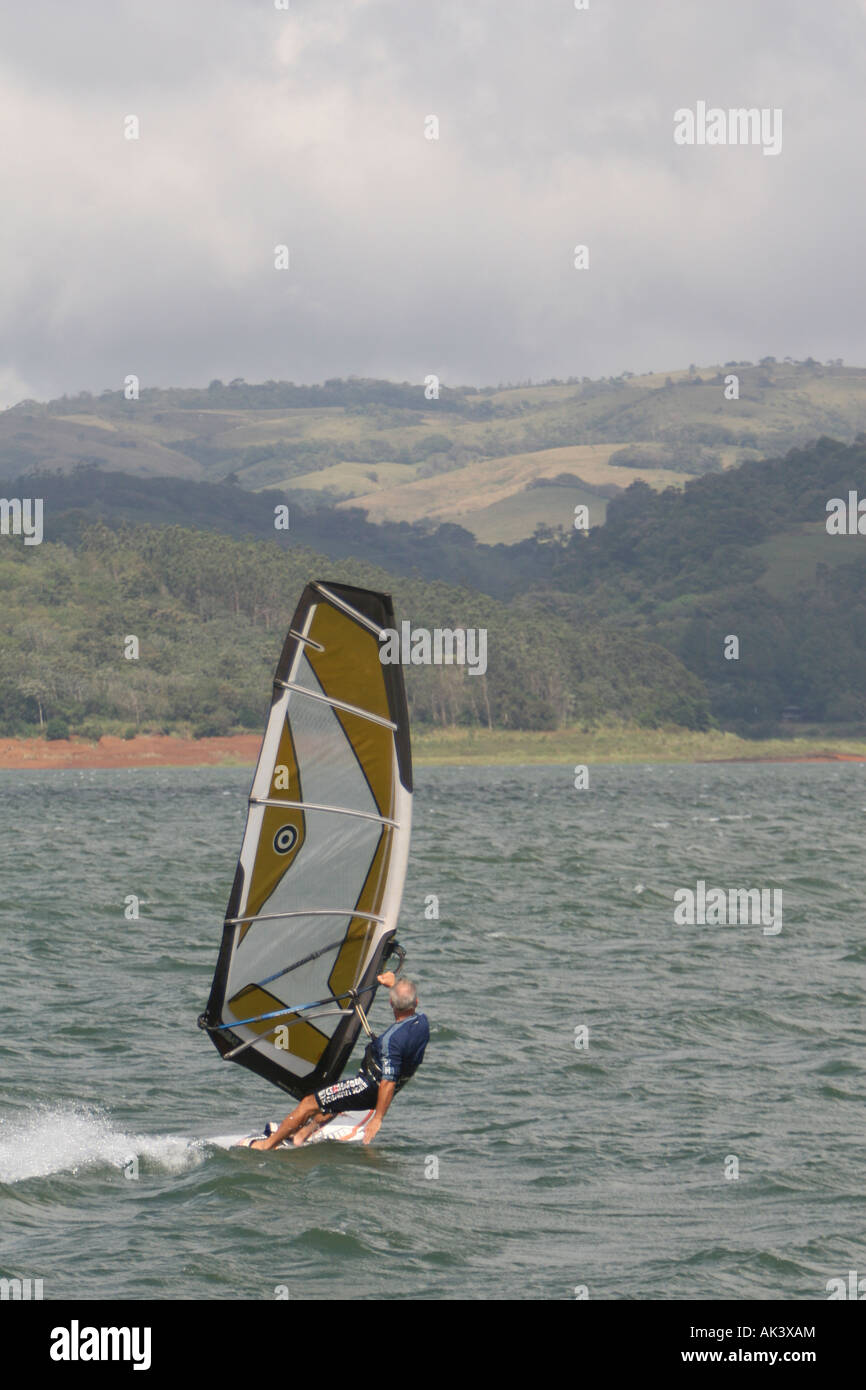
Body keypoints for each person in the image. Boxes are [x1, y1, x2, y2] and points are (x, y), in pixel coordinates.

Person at [247, 972, 429, 1149]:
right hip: (384, 1086)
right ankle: (302, 1134)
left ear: (391, 1003)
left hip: (369, 1086)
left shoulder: (392, 1041)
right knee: (336, 1098)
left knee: (309, 1103)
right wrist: (394, 984)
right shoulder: (422, 1022)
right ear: (417, 1002)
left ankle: (268, 1144)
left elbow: (387, 1082)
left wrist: (377, 1118)